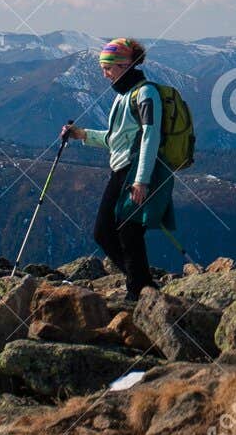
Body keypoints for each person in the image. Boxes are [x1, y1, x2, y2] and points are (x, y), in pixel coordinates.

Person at [61, 38, 175, 298]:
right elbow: (116, 139)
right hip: (124, 170)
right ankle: (143, 285)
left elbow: (150, 136)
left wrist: (142, 180)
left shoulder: (146, 94)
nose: (104, 74)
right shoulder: (124, 95)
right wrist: (81, 134)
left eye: (108, 68)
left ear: (125, 65)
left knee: (126, 230)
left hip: (135, 172)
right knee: (113, 231)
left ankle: (138, 291)